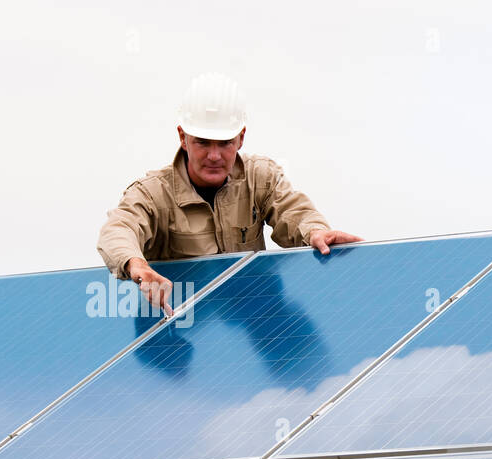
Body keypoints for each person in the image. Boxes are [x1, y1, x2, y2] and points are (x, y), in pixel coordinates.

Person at [97, 72, 361, 314]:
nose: (214, 155)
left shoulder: (261, 177)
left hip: (248, 318)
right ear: (182, 137)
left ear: (241, 138)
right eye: (202, 142)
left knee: (297, 361)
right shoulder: (153, 193)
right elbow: (118, 229)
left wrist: (315, 231)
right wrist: (137, 265)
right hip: (180, 329)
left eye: (225, 143)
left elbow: (292, 211)